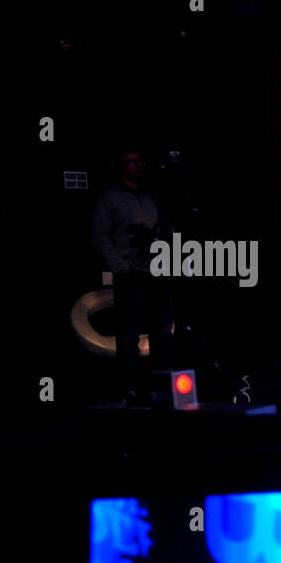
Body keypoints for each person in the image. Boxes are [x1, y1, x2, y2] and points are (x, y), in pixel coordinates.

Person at [90, 146, 174, 403]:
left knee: (161, 330)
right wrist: (119, 265)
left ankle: (161, 384)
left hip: (155, 271)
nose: (137, 166)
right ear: (121, 166)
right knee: (129, 334)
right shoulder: (110, 198)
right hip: (130, 273)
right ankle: (132, 387)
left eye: (139, 161)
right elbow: (100, 235)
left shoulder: (150, 197)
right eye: (130, 162)